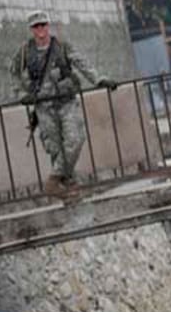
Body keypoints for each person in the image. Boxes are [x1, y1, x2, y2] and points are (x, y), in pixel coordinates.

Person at [9, 10, 116, 197]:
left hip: (66, 102)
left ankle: (54, 178)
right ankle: (68, 186)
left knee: (75, 139)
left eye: (43, 25)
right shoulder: (25, 51)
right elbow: (13, 73)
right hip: (43, 107)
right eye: (36, 26)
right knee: (55, 148)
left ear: (48, 26)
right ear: (31, 29)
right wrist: (22, 94)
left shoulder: (62, 46)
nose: (40, 29)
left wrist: (99, 80)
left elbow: (82, 64)